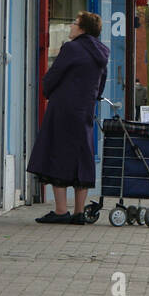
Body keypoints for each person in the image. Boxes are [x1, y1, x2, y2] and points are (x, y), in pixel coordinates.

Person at [28, 11, 109, 224]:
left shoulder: (71, 48)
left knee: (58, 154)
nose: (71, 26)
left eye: (74, 23)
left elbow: (54, 74)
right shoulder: (101, 52)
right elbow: (101, 83)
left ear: (82, 28)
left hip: (63, 108)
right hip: (85, 110)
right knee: (82, 157)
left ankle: (61, 210)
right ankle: (79, 212)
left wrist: (47, 90)